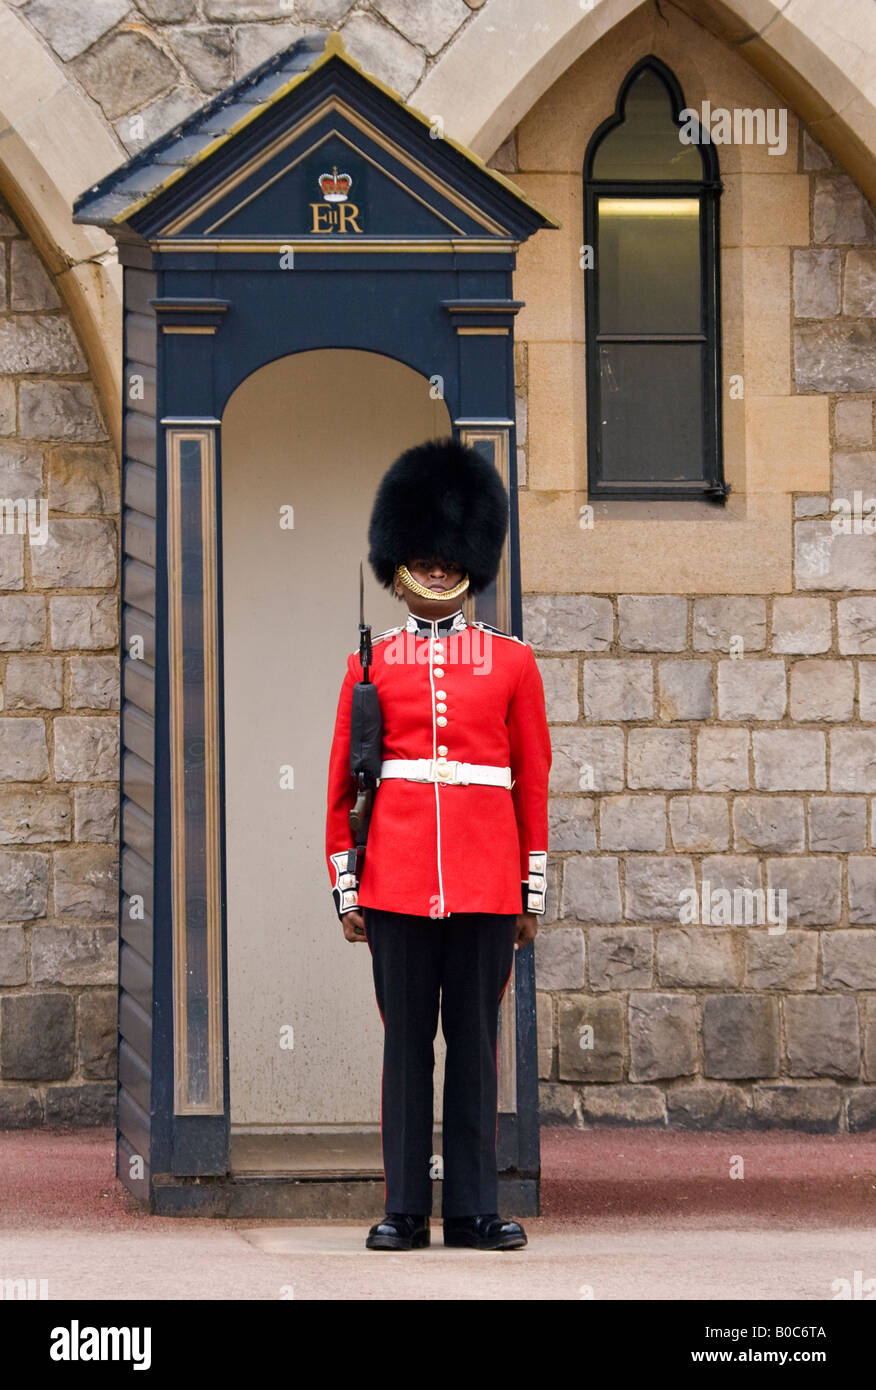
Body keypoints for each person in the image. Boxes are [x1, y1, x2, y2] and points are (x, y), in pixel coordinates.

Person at [325, 437, 551, 1252]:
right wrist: (349, 888)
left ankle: (472, 1210)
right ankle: (402, 1210)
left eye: (449, 553)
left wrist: (531, 892)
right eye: (420, 553)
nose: (437, 566)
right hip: (395, 880)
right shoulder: (370, 665)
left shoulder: (513, 665)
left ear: (470, 559)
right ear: (399, 563)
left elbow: (532, 782)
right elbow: (345, 787)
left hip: (488, 885)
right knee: (406, 1048)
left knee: (476, 1052)